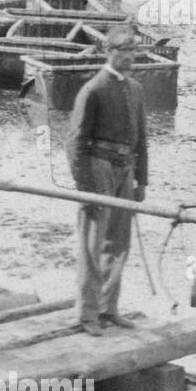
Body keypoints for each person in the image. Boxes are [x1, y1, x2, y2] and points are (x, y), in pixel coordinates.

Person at [66, 25, 149, 336]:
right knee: (92, 244)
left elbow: (142, 139)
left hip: (125, 170)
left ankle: (108, 307)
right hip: (99, 169)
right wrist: (85, 188)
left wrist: (141, 180)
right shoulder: (93, 89)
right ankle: (87, 314)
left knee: (119, 242)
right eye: (123, 51)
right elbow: (75, 142)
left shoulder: (136, 89)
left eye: (133, 51)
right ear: (108, 52)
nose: (130, 57)